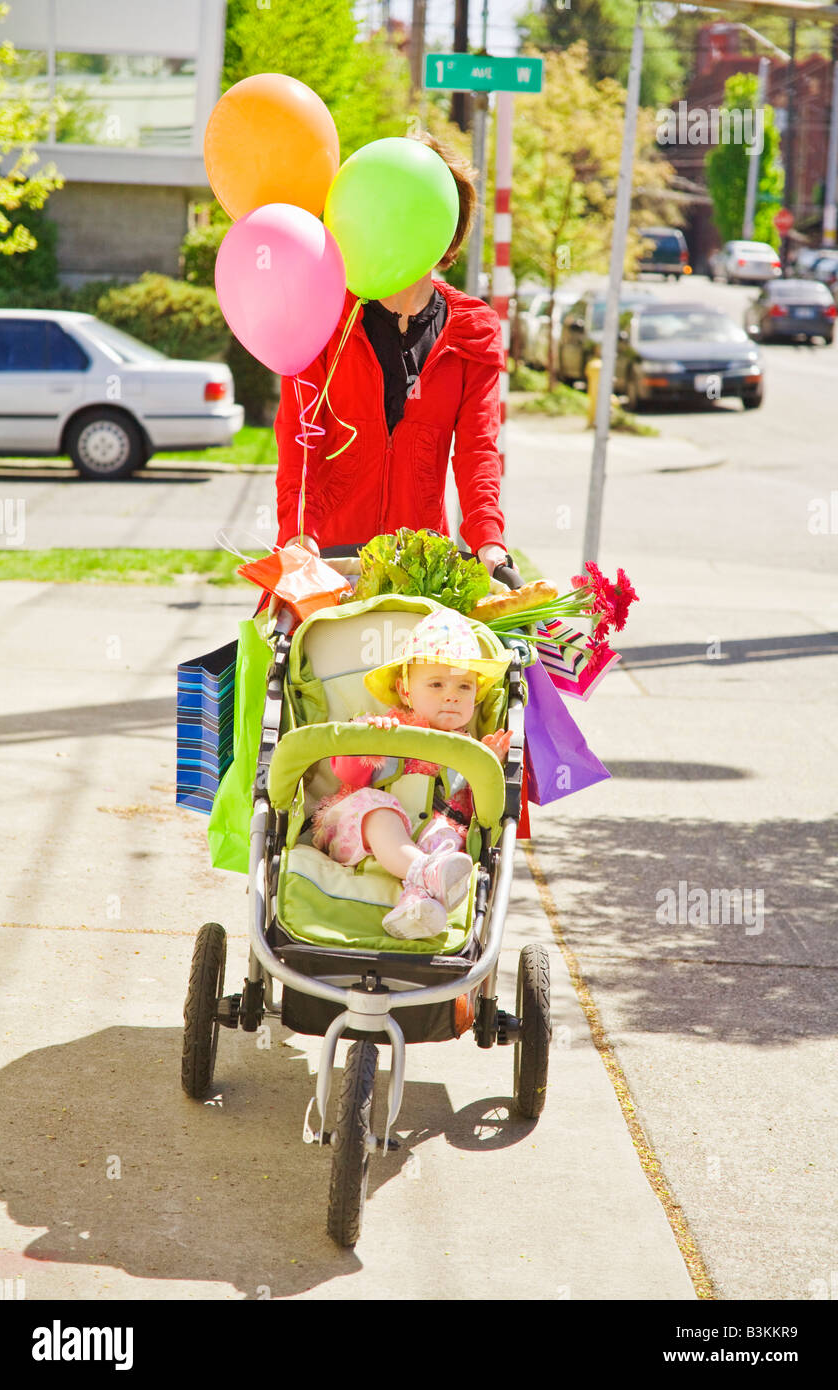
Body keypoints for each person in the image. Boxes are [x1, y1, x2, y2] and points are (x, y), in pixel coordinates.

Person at [275, 132, 511, 577]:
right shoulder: (325, 315)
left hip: (420, 569)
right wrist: (299, 532)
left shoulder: (472, 331)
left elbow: (478, 451)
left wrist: (489, 542)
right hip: (325, 561)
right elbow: (299, 437)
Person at [312, 610, 512, 940]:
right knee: (378, 807)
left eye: (464, 686)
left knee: (449, 835)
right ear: (405, 691)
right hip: (360, 835)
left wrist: (488, 767)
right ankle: (425, 871)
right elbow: (346, 774)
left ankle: (417, 905)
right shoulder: (386, 727)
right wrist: (367, 741)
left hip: (425, 836)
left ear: (475, 696)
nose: (452, 695)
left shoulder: (470, 750)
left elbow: (481, 817)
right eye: (436, 684)